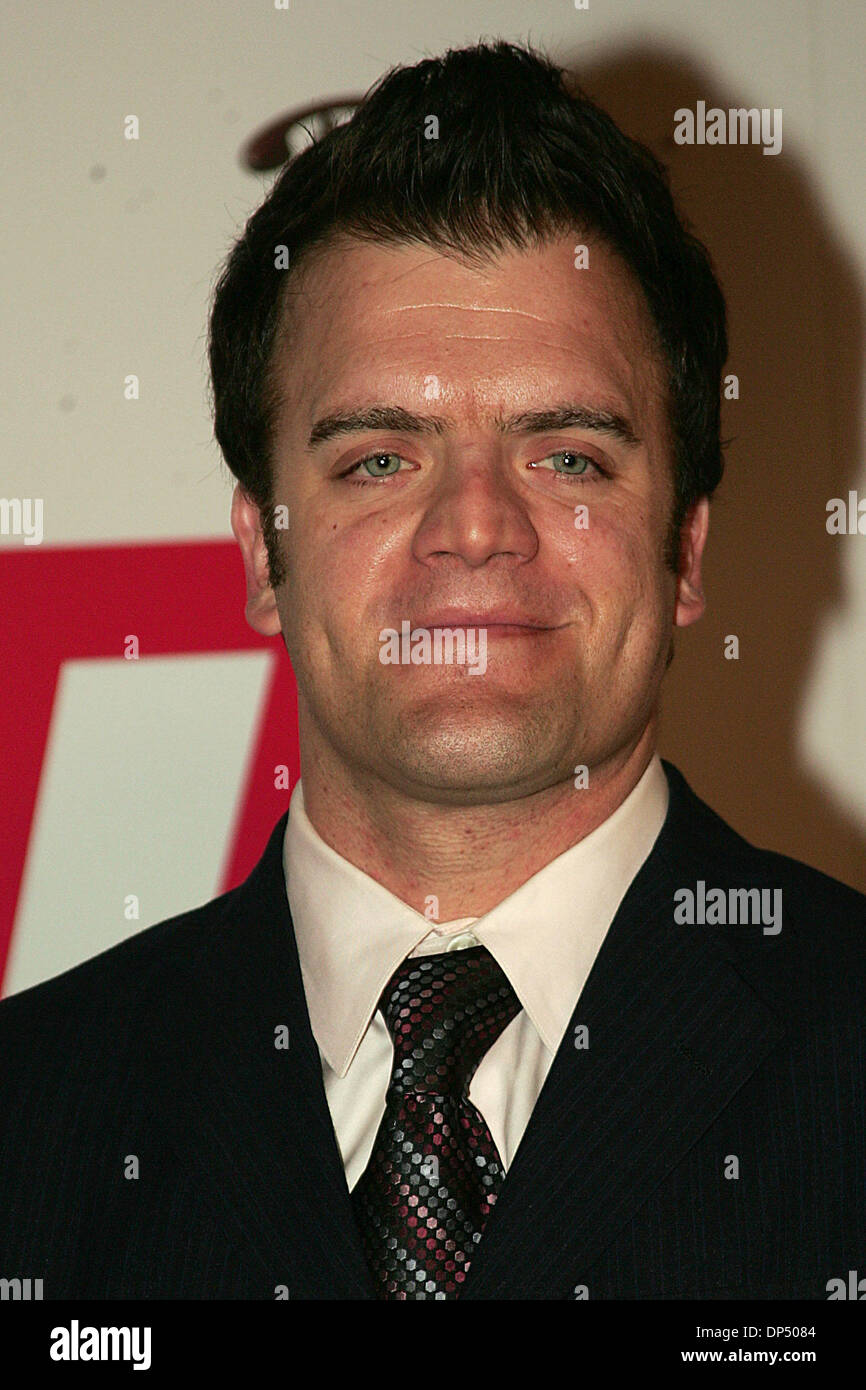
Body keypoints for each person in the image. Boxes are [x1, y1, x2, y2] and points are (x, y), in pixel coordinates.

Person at [1, 40, 864, 1302]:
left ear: (684, 548)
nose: (474, 526)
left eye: (566, 455)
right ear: (260, 555)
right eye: (376, 459)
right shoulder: (31, 1116)